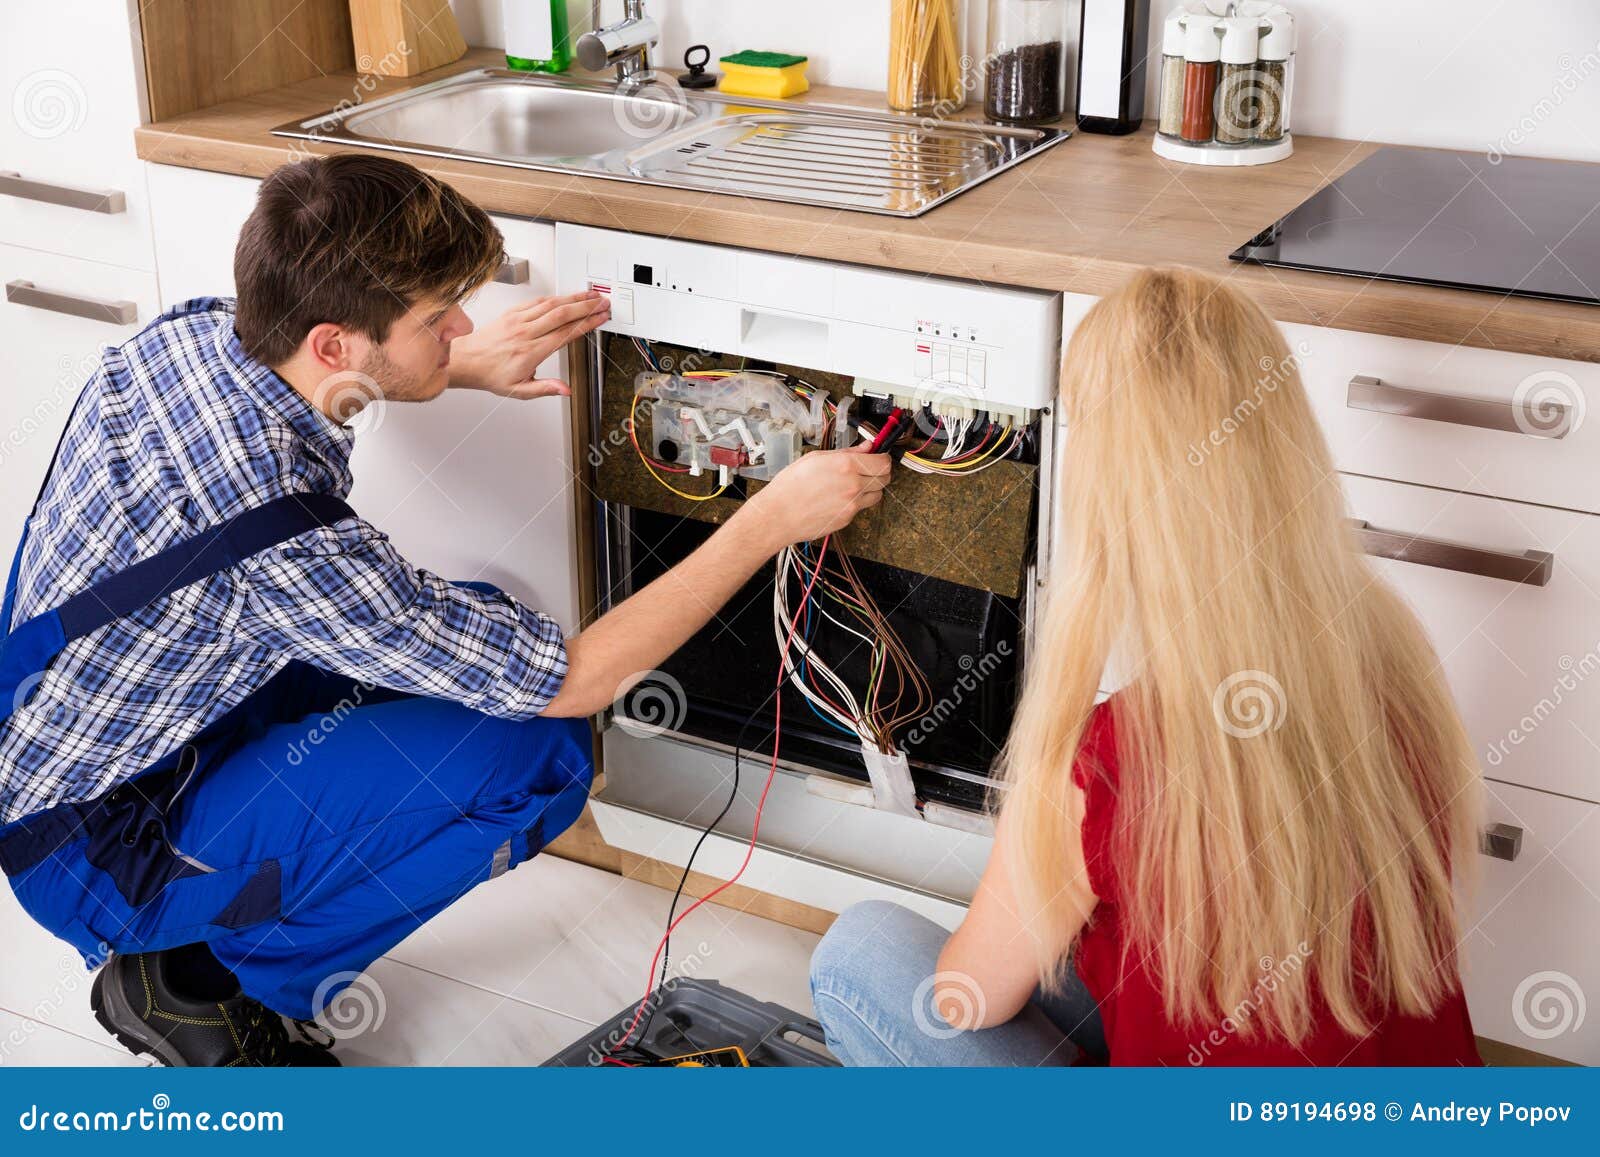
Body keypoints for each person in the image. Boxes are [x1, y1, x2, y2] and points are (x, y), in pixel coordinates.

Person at [0, 154, 889, 1067]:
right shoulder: (283, 539)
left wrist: (456, 366)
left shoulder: (189, 338)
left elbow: (310, 439)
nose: (465, 324)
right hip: (102, 841)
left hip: (98, 717)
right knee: (537, 750)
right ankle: (205, 978)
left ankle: (227, 915)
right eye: (439, 320)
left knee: (477, 627)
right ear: (337, 342)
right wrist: (770, 521)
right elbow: (576, 680)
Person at [810, 267, 1484, 1066]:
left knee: (859, 954)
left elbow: (971, 992)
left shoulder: (1113, 754)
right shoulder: (1391, 651)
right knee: (1079, 946)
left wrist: (1041, 806)